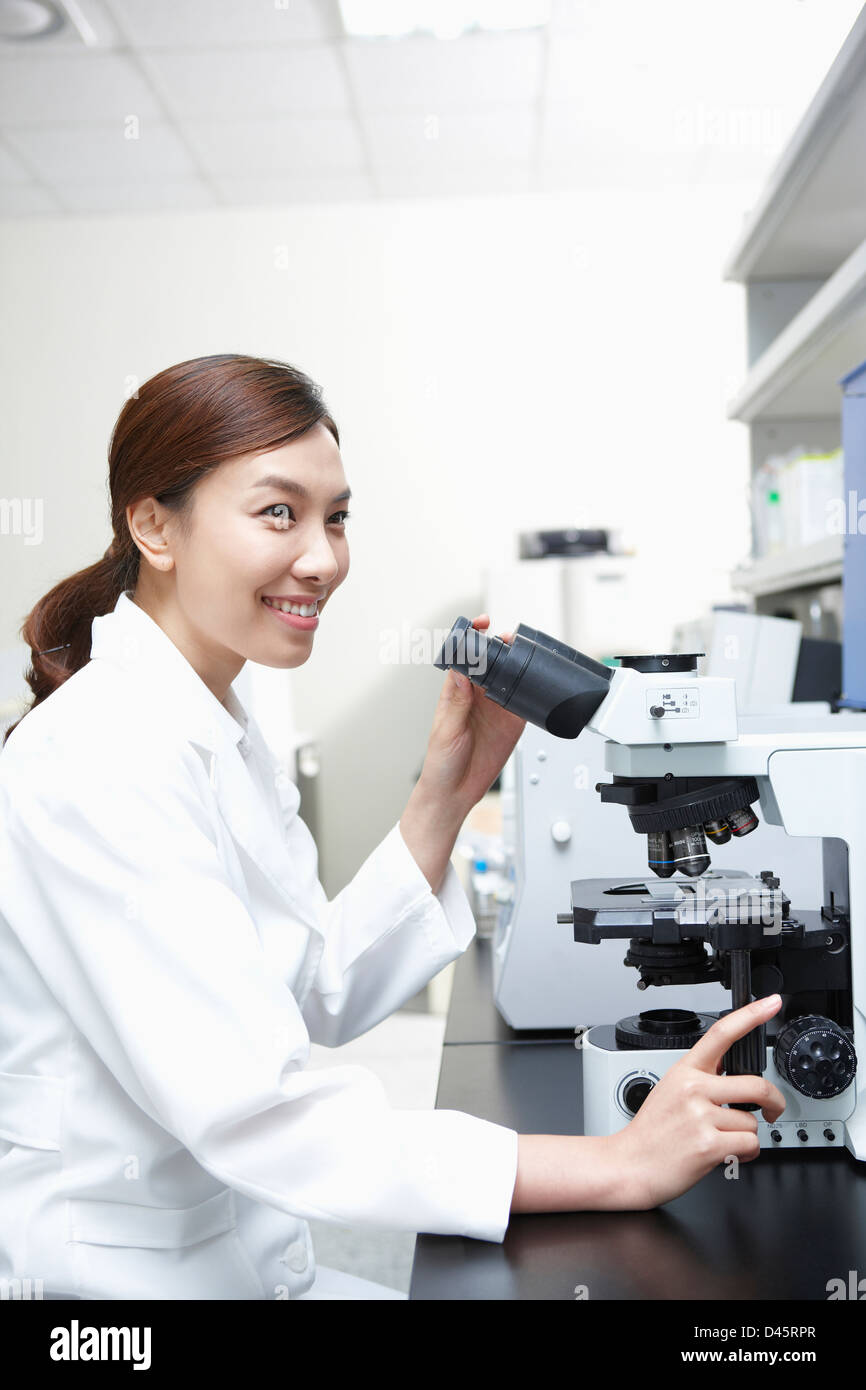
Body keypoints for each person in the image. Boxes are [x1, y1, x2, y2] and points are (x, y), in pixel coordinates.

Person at [0, 354, 785, 1301]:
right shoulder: (98, 758)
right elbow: (261, 1114)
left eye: (336, 517)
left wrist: (449, 790)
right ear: (153, 524)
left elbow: (311, 990)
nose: (323, 558)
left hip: (242, 1255)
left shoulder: (216, 723)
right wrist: (615, 1166)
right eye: (278, 512)